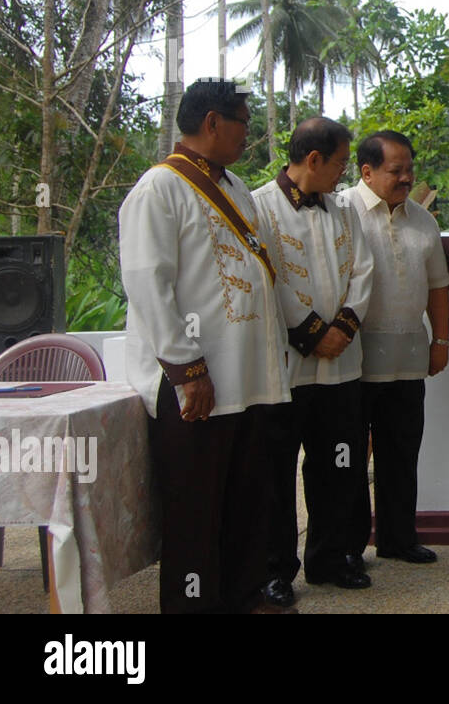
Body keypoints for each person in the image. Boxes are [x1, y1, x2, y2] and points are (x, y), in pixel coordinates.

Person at [119, 78, 291, 613]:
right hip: (197, 385)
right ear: (212, 123)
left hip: (248, 379)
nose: (249, 134)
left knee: (245, 502)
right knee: (195, 512)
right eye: (243, 121)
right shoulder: (160, 188)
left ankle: (242, 598)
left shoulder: (237, 188)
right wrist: (187, 370)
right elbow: (148, 282)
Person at [252, 117, 374, 604]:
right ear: (314, 160)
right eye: (342, 163)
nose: (344, 174)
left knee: (338, 464)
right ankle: (274, 569)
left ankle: (332, 556)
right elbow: (265, 276)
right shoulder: (258, 206)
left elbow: (363, 268)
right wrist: (309, 333)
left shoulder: (344, 209)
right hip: (285, 364)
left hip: (342, 362)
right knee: (277, 470)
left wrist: (342, 326)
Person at [342, 131, 449, 564]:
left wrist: (440, 342)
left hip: (409, 357)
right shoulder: (341, 212)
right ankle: (347, 548)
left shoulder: (423, 221)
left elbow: (439, 287)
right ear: (366, 172)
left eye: (409, 169)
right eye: (395, 171)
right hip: (353, 360)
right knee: (348, 458)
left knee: (401, 453)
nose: (407, 177)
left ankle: (398, 539)